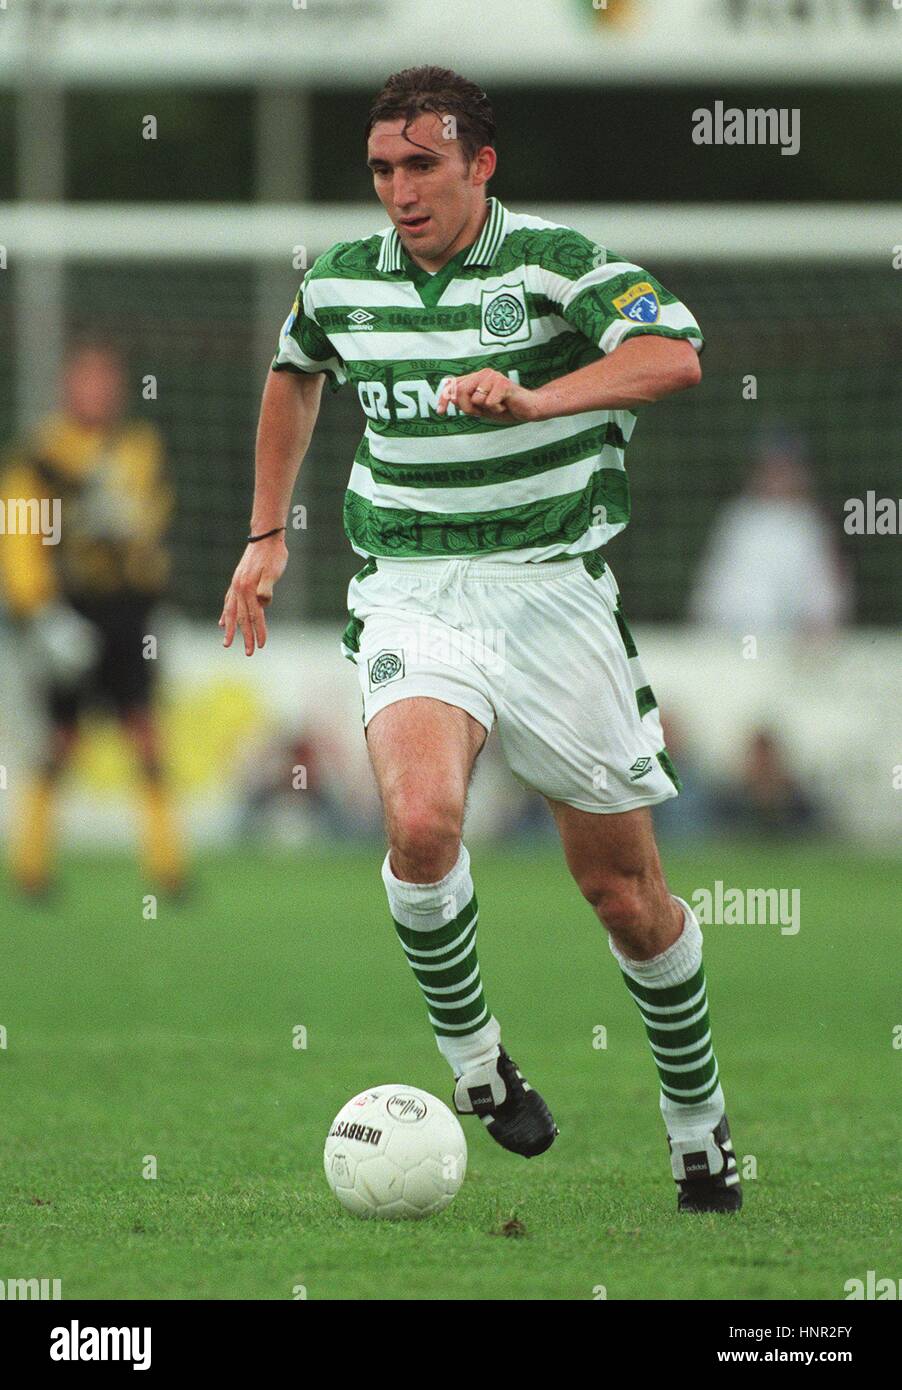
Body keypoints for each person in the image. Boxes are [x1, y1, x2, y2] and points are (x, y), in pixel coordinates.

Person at [221, 67, 740, 1212]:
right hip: (411, 588)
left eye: (421, 166)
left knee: (625, 896)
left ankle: (696, 1124)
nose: (399, 191)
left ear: (479, 164)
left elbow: (672, 356)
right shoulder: (341, 280)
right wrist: (264, 534)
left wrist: (536, 396)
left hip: (550, 593)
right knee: (418, 822)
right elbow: (294, 373)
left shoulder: (553, 262)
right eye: (381, 170)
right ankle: (475, 1063)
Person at [0, 342, 186, 897]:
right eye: (87, 380)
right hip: (72, 614)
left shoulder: (140, 447)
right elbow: (19, 534)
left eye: (106, 381)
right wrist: (40, 613)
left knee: (146, 737)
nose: (98, 392)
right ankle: (31, 868)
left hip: (129, 615)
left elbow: (157, 523)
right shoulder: (42, 454)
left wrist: (146, 563)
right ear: (68, 387)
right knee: (59, 741)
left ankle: (168, 870)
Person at [690, 432, 849, 635]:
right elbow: (713, 590)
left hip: (789, 645)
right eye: (770, 467)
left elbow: (824, 595)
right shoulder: (737, 519)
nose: (777, 475)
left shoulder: (811, 525)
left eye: (785, 467)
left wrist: (819, 625)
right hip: (731, 639)